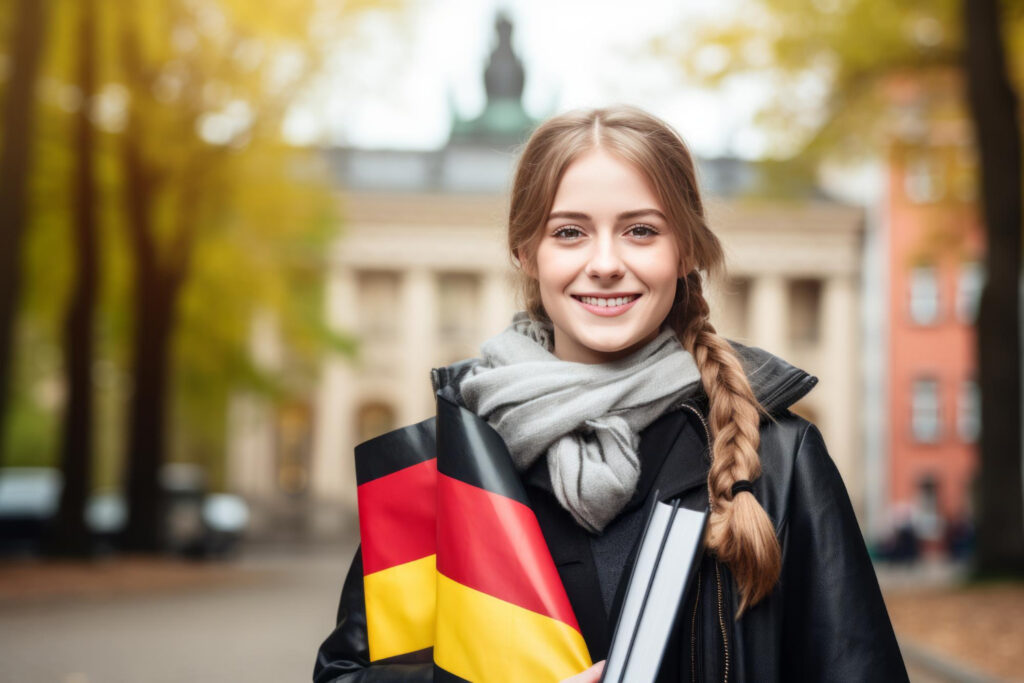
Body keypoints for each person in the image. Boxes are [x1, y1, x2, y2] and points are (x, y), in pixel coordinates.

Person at [314, 105, 908, 682]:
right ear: (526, 253)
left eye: (640, 231)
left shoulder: (780, 460)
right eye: (569, 232)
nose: (605, 263)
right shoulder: (445, 465)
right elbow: (346, 674)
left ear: (685, 252)